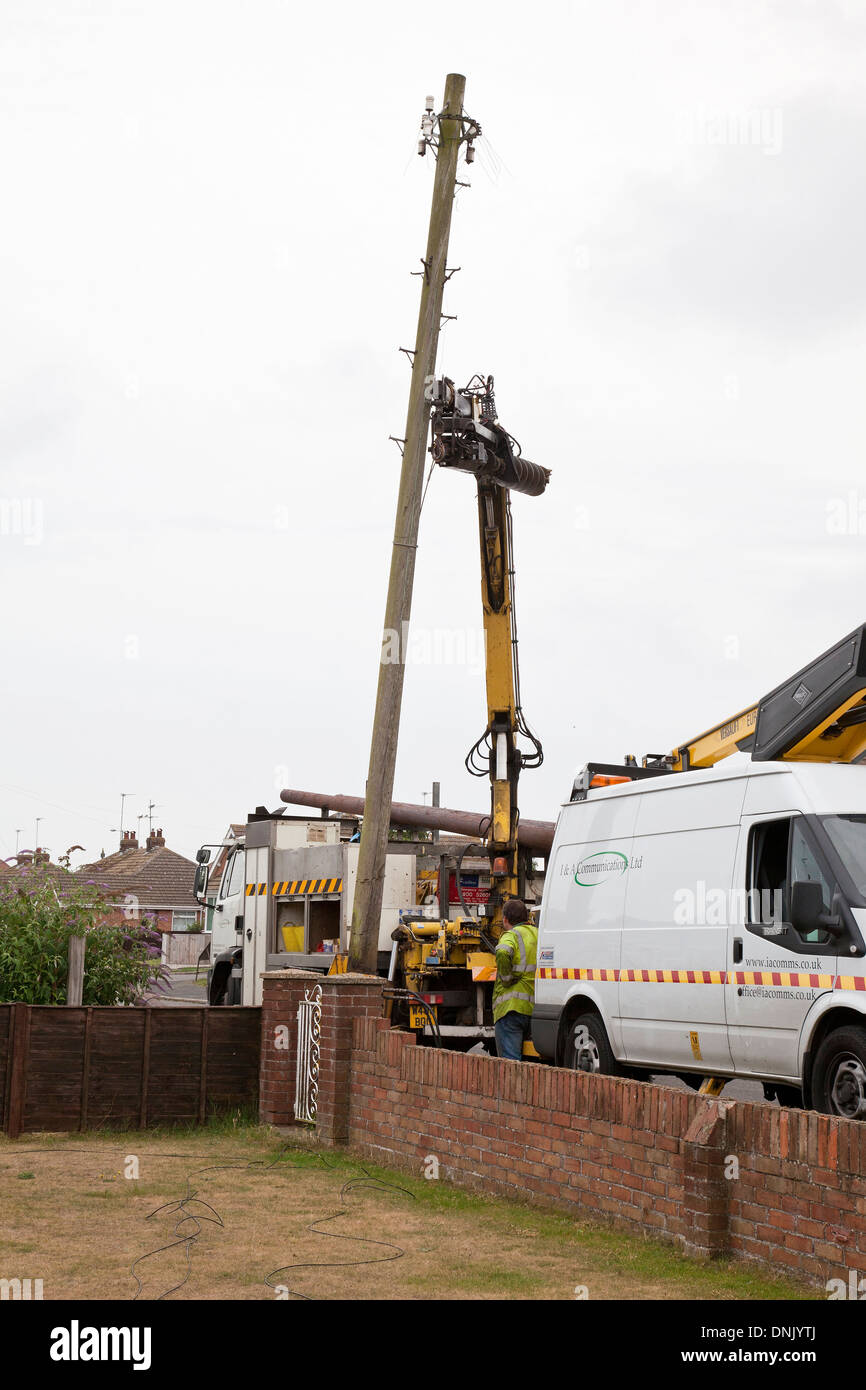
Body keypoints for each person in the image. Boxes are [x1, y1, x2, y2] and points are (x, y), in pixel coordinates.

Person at [493, 897, 538, 1062]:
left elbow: (503, 951)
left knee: (510, 1062)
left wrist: (506, 978)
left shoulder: (511, 935)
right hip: (534, 1008)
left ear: (505, 919)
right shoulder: (538, 933)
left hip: (511, 1009)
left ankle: (511, 1088)